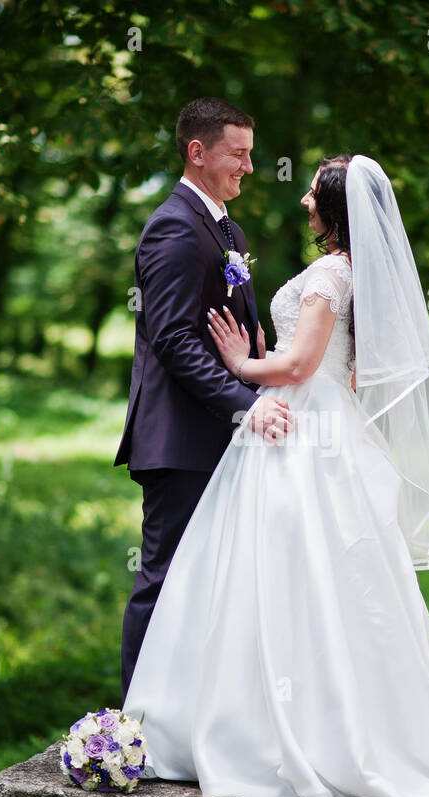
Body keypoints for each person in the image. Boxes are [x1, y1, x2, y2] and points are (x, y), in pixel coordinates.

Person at [120, 151, 429, 797]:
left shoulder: (328, 272)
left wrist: (241, 361)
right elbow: (337, 367)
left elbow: (303, 361)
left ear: (335, 208)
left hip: (299, 430)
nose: (303, 202)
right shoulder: (353, 273)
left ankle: (266, 730)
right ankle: (303, 719)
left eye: (313, 194)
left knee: (286, 568)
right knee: (314, 575)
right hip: (315, 424)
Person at [115, 98, 294, 704]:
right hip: (181, 437)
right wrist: (245, 403)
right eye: (238, 155)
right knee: (165, 579)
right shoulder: (173, 225)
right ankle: (131, 733)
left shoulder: (226, 230)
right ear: (198, 152)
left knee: (211, 583)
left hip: (218, 433)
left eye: (250, 154)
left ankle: (189, 717)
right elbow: (170, 337)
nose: (249, 167)